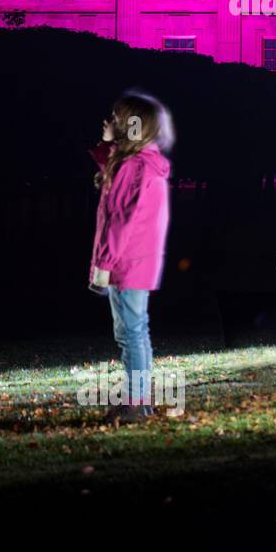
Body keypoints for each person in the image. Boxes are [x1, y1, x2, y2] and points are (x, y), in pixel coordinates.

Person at [88, 92, 175, 423]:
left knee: (130, 334)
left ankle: (136, 403)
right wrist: (107, 144)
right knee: (136, 332)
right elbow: (115, 174)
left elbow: (120, 222)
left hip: (126, 265)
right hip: (138, 263)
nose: (108, 121)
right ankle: (141, 400)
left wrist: (104, 267)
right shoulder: (142, 163)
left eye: (114, 117)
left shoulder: (133, 167)